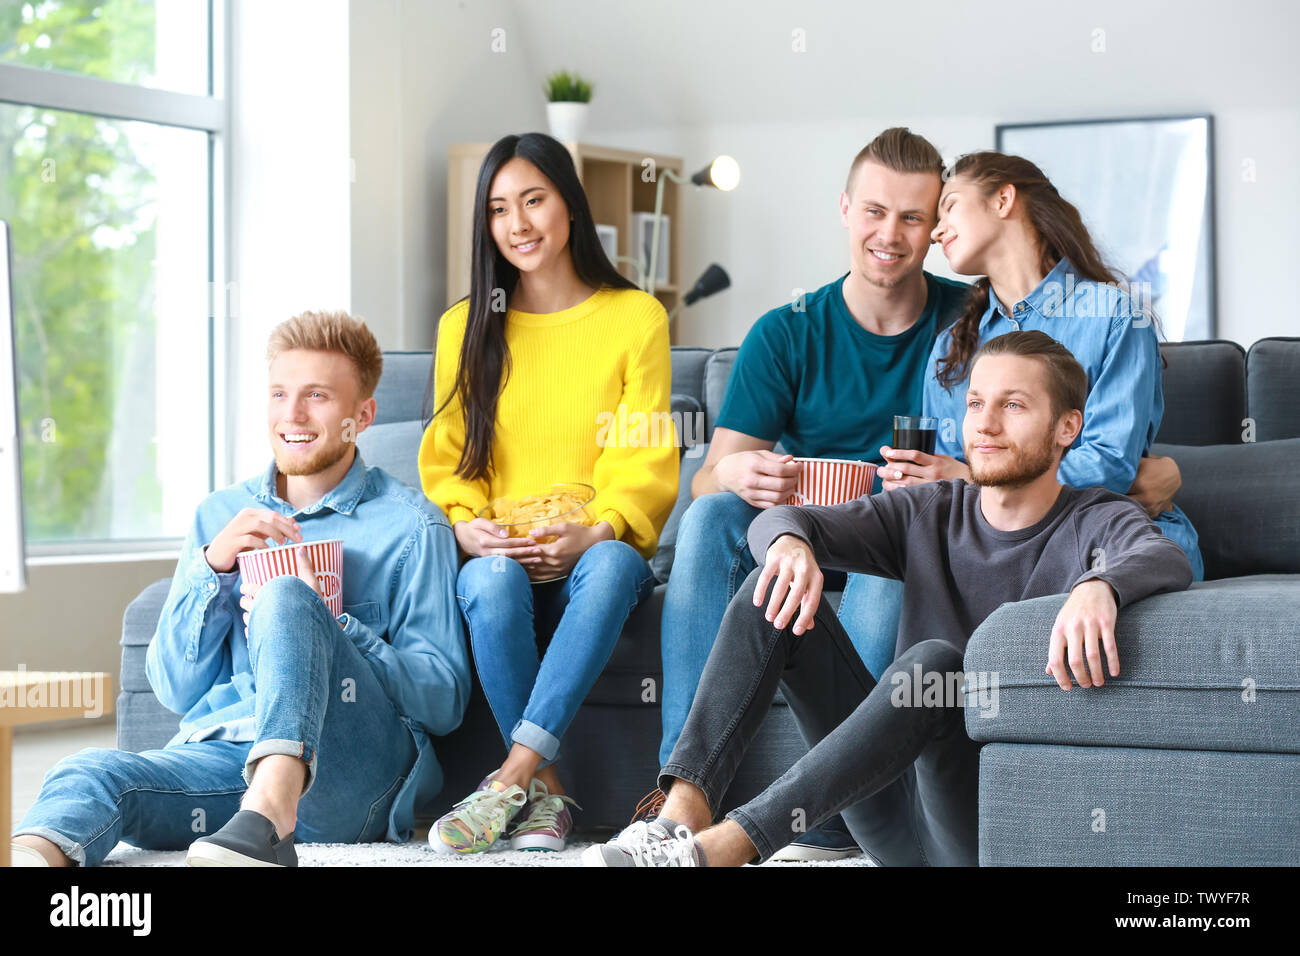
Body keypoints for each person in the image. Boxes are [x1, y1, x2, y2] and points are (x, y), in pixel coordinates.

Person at [584, 330, 1193, 867]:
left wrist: (1099, 585)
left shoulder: (1095, 519)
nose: (984, 424)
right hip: (889, 815)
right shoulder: (929, 509)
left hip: (983, 821)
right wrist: (792, 543)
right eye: (977, 403)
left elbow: (1162, 556)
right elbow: (788, 519)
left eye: (1014, 406)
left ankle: (731, 847)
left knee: (935, 663)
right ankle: (680, 819)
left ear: (1068, 427)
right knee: (766, 587)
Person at [10, 311, 470, 867]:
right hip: (229, 760)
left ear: (363, 415)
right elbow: (174, 690)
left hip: (352, 777)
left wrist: (332, 623)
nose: (292, 415)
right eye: (279, 393)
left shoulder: (413, 526)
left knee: (286, 596)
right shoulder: (220, 515)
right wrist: (212, 568)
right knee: (89, 771)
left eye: (317, 396)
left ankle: (271, 813)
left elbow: (443, 701)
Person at [653, 127, 969, 860]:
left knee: (907, 547)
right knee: (706, 519)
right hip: (798, 533)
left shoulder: (970, 322)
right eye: (874, 212)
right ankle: (675, 800)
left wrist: (955, 475)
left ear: (938, 227)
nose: (890, 235)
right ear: (845, 209)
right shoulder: (788, 332)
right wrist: (731, 472)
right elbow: (710, 476)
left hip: (891, 537)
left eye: (913, 217)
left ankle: (839, 801)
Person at [847, 149, 1203, 683]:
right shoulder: (952, 348)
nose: (937, 231)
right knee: (894, 562)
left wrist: (965, 478)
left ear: (1004, 198)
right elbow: (940, 485)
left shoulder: (1111, 315)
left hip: (1092, 531)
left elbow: (1108, 466)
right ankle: (859, 754)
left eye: (948, 207)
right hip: (989, 540)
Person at [419, 132, 678, 855]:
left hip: (590, 558)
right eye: (500, 208)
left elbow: (645, 452)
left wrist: (597, 528)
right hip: (501, 558)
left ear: (570, 203)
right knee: (492, 584)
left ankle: (508, 779)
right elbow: (449, 460)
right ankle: (552, 796)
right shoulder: (463, 327)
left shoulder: (636, 319)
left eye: (534, 199)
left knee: (618, 565)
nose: (519, 223)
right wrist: (466, 527)